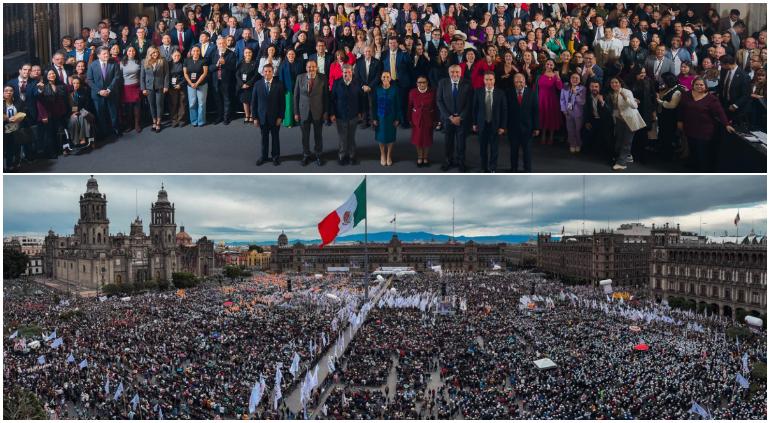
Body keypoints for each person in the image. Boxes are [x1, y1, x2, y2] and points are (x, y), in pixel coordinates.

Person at [678, 76, 735, 171]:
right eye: (696, 84)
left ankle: (703, 170)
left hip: (704, 130)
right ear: (693, 85)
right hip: (689, 127)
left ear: (705, 86)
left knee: (702, 152)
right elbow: (681, 109)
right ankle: (694, 166)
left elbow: (720, 112)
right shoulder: (686, 95)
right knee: (692, 148)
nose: (699, 86)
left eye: (701, 85)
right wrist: (679, 121)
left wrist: (726, 124)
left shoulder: (711, 99)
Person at [436, 65, 472, 172]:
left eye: (457, 72)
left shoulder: (467, 84)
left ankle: (461, 163)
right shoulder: (442, 83)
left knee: (461, 143)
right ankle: (448, 161)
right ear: (449, 72)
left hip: (462, 119)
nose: (454, 74)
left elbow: (469, 103)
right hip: (448, 119)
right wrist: (449, 117)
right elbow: (439, 101)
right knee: (448, 142)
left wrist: (460, 117)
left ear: (461, 73)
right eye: (452, 72)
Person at [294, 60, 328, 166]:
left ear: (316, 68)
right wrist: (296, 112)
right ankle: (306, 154)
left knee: (318, 135)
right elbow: (296, 96)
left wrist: (326, 111)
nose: (311, 69)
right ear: (306, 68)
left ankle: (319, 154)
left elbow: (326, 96)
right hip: (303, 111)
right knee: (305, 136)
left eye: (313, 67)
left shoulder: (323, 78)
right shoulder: (299, 77)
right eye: (309, 67)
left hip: (318, 111)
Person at [472, 72, 507, 173]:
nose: (489, 82)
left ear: (494, 80)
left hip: (495, 125)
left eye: (491, 79)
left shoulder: (500, 93)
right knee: (482, 148)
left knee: (494, 149)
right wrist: (474, 123)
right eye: (486, 79)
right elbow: (474, 109)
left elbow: (504, 110)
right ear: (484, 80)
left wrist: (502, 126)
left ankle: (492, 168)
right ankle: (483, 167)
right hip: (482, 125)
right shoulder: (478, 92)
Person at [251, 64, 285, 166]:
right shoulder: (257, 84)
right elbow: (254, 102)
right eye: (265, 71)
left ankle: (275, 156)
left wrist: (280, 117)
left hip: (275, 117)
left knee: (275, 138)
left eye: (270, 71)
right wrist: (255, 118)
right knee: (264, 138)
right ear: (262, 72)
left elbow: (282, 103)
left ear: (273, 72)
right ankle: (264, 156)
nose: (267, 73)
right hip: (262, 117)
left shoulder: (279, 84)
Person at [608, 77, 645, 170]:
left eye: (616, 82)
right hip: (619, 120)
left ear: (620, 83)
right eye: (612, 82)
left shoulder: (627, 92)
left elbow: (634, 105)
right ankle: (626, 156)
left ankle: (621, 163)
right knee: (619, 140)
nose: (614, 84)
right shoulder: (612, 93)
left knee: (626, 142)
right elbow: (615, 109)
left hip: (630, 119)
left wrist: (626, 98)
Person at [329, 64, 361, 165]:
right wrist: (332, 113)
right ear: (342, 72)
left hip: (353, 115)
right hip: (340, 115)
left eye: (349, 72)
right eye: (344, 72)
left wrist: (361, 112)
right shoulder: (337, 83)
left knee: (351, 137)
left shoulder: (357, 82)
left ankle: (352, 155)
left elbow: (361, 99)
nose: (347, 74)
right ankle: (342, 155)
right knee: (342, 138)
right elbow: (332, 100)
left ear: (352, 72)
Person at [86, 46, 121, 137]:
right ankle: (104, 133)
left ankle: (115, 129)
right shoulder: (92, 65)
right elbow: (89, 80)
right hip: (98, 94)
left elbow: (117, 78)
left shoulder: (114, 63)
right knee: (100, 114)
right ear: (98, 55)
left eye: (107, 53)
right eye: (104, 54)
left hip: (111, 92)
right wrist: (99, 91)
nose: (107, 55)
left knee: (113, 113)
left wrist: (109, 89)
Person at [508, 73, 539, 172]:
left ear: (525, 82)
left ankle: (527, 170)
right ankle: (513, 169)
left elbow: (535, 111)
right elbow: (506, 111)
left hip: (528, 128)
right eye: (516, 82)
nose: (519, 84)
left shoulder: (532, 93)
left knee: (527, 151)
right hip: (513, 128)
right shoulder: (508, 92)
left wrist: (536, 127)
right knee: (513, 150)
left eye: (521, 82)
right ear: (514, 82)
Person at [371, 71, 402, 166]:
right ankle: (382, 154)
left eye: (388, 77)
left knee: (390, 137)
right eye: (384, 77)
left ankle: (389, 155)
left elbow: (398, 105)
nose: (385, 79)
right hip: (379, 118)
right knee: (381, 137)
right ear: (381, 78)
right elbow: (373, 105)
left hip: (391, 118)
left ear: (390, 78)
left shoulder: (395, 90)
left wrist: (397, 118)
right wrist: (374, 118)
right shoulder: (377, 89)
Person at [381, 37, 413, 128]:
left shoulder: (403, 52)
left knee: (402, 103)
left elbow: (409, 63)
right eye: (390, 43)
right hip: (389, 82)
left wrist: (405, 51)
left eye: (394, 43)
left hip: (402, 82)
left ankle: (404, 121)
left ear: (398, 44)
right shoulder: (384, 54)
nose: (392, 45)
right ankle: (393, 120)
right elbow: (382, 67)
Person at [37, 68, 68, 157]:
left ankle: (64, 149)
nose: (52, 75)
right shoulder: (43, 86)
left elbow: (66, 98)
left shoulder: (60, 85)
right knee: (51, 133)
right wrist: (44, 115)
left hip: (60, 112)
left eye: (53, 73)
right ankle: (53, 152)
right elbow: (39, 102)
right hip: (49, 113)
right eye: (49, 74)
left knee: (62, 131)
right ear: (46, 76)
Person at [407, 76, 437, 167]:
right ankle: (420, 157)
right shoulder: (412, 92)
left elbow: (435, 107)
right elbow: (410, 106)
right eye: (419, 82)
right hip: (417, 119)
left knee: (427, 139)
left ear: (427, 83)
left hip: (428, 118)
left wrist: (436, 120)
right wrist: (409, 118)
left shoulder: (433, 92)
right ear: (417, 84)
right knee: (418, 139)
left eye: (424, 82)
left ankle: (425, 157)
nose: (422, 84)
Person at [140, 46, 169, 133]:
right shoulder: (144, 61)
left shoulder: (163, 60)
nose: (155, 54)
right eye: (153, 52)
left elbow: (166, 74)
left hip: (160, 86)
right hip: (149, 87)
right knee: (151, 105)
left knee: (159, 104)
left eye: (156, 52)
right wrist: (143, 88)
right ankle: (154, 121)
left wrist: (166, 86)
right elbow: (142, 76)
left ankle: (159, 122)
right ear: (149, 53)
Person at [718, 55, 751, 127]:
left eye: (721, 64)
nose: (720, 66)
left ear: (727, 64)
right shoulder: (724, 71)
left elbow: (746, 94)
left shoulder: (744, 76)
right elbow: (721, 86)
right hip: (724, 104)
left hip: (736, 108)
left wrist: (735, 105)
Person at [354, 46, 382, 128]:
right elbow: (357, 76)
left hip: (373, 88)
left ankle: (373, 122)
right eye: (366, 51)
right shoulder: (359, 62)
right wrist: (363, 86)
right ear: (363, 53)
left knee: (372, 106)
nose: (368, 53)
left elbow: (378, 76)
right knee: (364, 105)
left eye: (369, 51)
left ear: (372, 52)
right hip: (362, 88)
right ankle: (365, 122)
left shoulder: (377, 62)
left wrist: (370, 86)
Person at [210, 37, 236, 125]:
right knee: (217, 100)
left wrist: (225, 63)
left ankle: (226, 117)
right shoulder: (213, 53)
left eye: (223, 43)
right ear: (217, 45)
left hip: (226, 81)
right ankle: (219, 116)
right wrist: (216, 65)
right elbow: (209, 68)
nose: (221, 45)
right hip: (215, 81)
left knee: (227, 99)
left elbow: (233, 67)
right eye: (219, 43)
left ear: (226, 44)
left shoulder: (231, 54)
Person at [536, 59, 563, 145]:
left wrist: (558, 77)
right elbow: (535, 87)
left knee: (551, 118)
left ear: (554, 66)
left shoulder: (555, 75)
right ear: (545, 65)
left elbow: (560, 87)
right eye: (547, 64)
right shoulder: (540, 75)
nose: (549, 66)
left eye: (551, 65)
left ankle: (551, 136)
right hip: (541, 99)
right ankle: (543, 135)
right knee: (542, 117)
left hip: (551, 100)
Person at [559, 73, 586, 153]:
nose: (574, 79)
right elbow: (562, 100)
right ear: (570, 79)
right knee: (570, 129)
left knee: (578, 130)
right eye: (573, 77)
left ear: (580, 80)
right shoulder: (565, 87)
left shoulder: (582, 88)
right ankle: (572, 144)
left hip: (578, 113)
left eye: (577, 78)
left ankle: (578, 143)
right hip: (568, 112)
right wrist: (564, 110)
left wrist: (576, 94)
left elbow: (582, 102)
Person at [3, 85, 28, 171]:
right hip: (4, 130)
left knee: (16, 147)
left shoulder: (18, 102)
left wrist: (19, 118)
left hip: (16, 129)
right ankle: (6, 166)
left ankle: (16, 163)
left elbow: (23, 112)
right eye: (6, 91)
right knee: (6, 149)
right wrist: (6, 119)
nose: (8, 92)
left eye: (11, 91)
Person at [183, 45, 209, 127]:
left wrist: (197, 83)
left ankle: (201, 121)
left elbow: (204, 73)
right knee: (192, 103)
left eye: (197, 50)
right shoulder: (186, 60)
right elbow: (185, 73)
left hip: (202, 84)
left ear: (200, 52)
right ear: (191, 52)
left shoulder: (204, 60)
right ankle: (194, 121)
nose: (196, 52)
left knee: (201, 103)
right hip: (190, 85)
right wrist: (191, 83)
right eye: (194, 51)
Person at [120, 46, 143, 133]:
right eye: (129, 51)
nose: (131, 52)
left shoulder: (139, 62)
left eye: (133, 51)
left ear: (135, 52)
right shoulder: (122, 62)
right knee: (128, 108)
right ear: (126, 52)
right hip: (126, 87)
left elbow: (141, 75)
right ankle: (129, 125)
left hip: (136, 87)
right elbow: (119, 76)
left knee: (137, 107)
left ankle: (137, 124)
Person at [66, 77, 94, 148]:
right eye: (74, 83)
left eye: (77, 83)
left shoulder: (84, 92)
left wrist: (79, 111)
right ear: (72, 84)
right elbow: (68, 107)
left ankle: (82, 138)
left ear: (80, 84)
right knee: (74, 119)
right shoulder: (69, 94)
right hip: (73, 113)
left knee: (82, 116)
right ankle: (75, 140)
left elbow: (87, 105)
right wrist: (73, 113)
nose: (76, 85)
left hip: (84, 111)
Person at [278, 49, 302, 128]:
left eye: (292, 54)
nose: (291, 56)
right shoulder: (283, 64)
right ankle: (289, 122)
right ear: (287, 55)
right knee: (288, 106)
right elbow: (281, 78)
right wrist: (283, 88)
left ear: (295, 55)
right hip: (287, 88)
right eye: (289, 54)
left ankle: (297, 121)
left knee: (297, 104)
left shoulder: (299, 64)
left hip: (298, 87)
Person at [236, 48, 260, 124]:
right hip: (242, 86)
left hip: (252, 85)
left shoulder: (255, 63)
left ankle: (252, 115)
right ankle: (247, 115)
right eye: (246, 52)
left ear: (252, 53)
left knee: (252, 101)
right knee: (245, 101)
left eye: (249, 52)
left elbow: (256, 75)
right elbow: (237, 74)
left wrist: (248, 84)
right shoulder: (240, 62)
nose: (248, 54)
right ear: (244, 54)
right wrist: (241, 84)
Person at [167, 49, 187, 127]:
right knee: (173, 103)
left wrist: (180, 84)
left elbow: (186, 75)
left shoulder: (183, 63)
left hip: (181, 86)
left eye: (178, 55)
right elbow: (166, 76)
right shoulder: (168, 64)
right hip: (171, 87)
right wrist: (171, 85)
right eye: (175, 55)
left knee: (182, 103)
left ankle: (181, 120)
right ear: (171, 56)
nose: (177, 57)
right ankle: (174, 120)